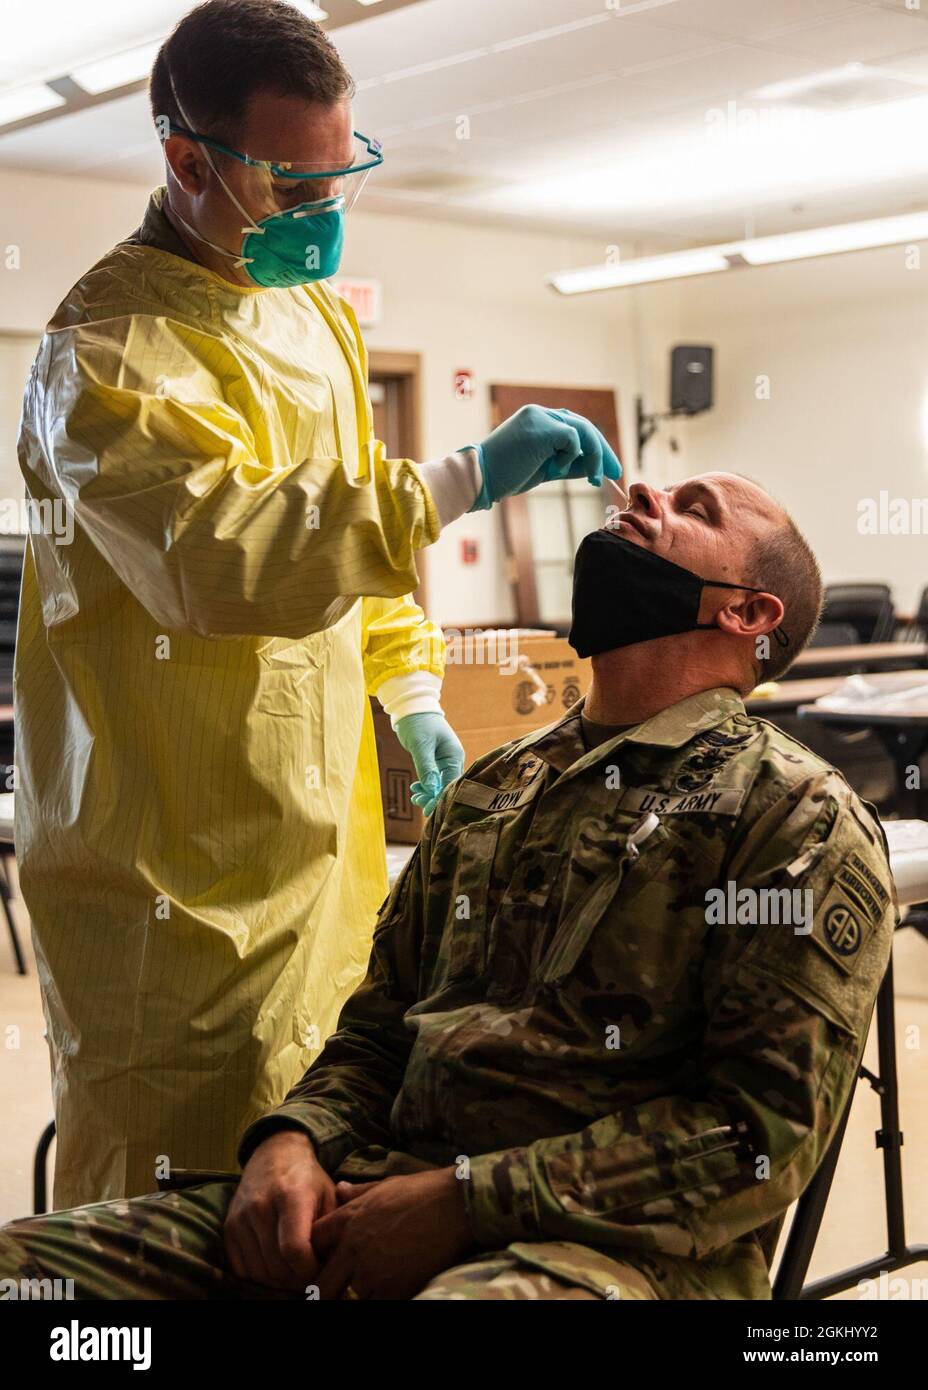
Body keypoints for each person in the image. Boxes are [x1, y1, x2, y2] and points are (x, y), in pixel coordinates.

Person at [0, 472, 896, 1300]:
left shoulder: (792, 814)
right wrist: (293, 1139)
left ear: (748, 612)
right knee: (24, 1275)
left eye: (696, 508)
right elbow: (378, 1030)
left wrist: (468, 1203)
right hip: (374, 1192)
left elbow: (756, 1136)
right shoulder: (494, 786)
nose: (643, 493)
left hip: (613, 1256)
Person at [14, 0, 619, 1209]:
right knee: (176, 1200)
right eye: (291, 187)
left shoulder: (317, 320)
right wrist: (460, 478)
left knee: (310, 1165)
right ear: (188, 160)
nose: (322, 214)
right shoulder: (106, 350)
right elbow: (223, 559)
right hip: (166, 873)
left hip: (321, 852)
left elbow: (350, 554)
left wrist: (410, 690)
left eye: (340, 178)